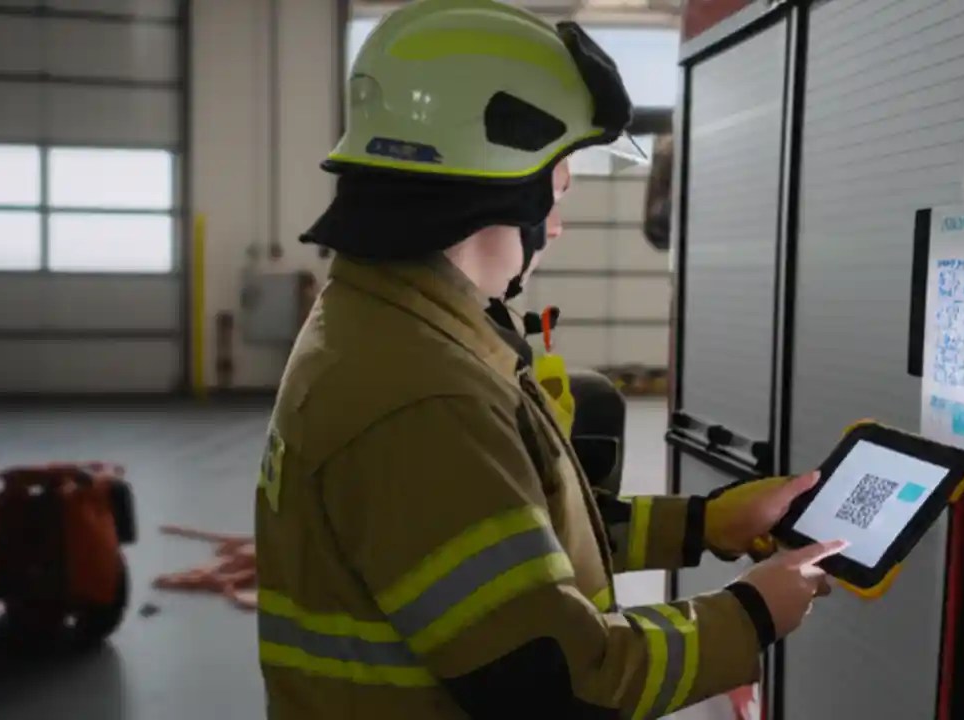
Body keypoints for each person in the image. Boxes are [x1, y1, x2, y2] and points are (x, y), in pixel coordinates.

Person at [254, 1, 846, 717]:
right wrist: (753, 614)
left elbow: (517, 541)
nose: (558, 227)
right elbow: (560, 684)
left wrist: (706, 523)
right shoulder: (423, 399)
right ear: (497, 184)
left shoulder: (390, 325)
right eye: (557, 191)